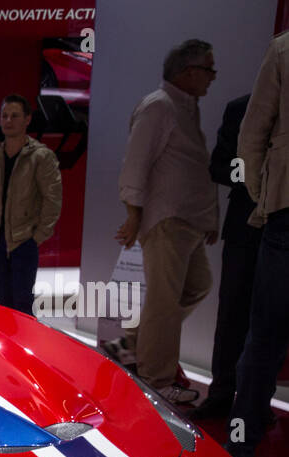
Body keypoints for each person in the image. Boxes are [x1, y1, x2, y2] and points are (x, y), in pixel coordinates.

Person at [110, 39, 219, 405]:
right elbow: (135, 164)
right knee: (164, 301)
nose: (213, 78)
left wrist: (208, 218)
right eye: (209, 69)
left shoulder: (181, 107)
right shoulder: (160, 107)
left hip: (186, 223)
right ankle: (156, 381)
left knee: (192, 288)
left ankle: (134, 343)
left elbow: (187, 170)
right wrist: (133, 215)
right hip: (168, 222)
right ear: (189, 72)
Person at [227, 31, 289, 457]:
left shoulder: (284, 49)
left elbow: (252, 135)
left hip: (286, 208)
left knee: (265, 331)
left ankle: (242, 439)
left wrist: (263, 195)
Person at [193, 94, 261, 421]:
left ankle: (255, 399)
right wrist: (253, 175)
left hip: (282, 224)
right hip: (245, 225)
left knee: (272, 318)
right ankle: (222, 392)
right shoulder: (239, 108)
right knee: (232, 311)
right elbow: (219, 166)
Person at [0, 94, 62, 316]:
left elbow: (53, 198)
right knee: (3, 300)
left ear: (27, 119)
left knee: (22, 302)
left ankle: (24, 345)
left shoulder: (41, 157)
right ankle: (5, 347)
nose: (8, 121)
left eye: (14, 116)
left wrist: (38, 235)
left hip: (24, 238)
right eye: (4, 116)